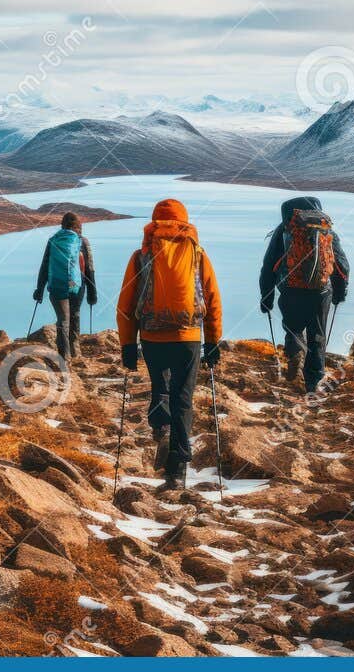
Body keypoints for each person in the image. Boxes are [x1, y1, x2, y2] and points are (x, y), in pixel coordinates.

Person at [117, 199, 223, 491]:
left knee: (160, 387)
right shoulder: (198, 254)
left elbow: (126, 305)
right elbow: (212, 299)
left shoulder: (141, 256)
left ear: (153, 223)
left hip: (151, 337)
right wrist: (213, 341)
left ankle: (160, 429)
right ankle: (178, 470)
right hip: (188, 338)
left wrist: (128, 344)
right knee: (183, 399)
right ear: (185, 222)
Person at [259, 196, 350, 394]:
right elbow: (342, 266)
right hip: (322, 292)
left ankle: (296, 352)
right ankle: (314, 382)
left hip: (291, 290)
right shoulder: (326, 230)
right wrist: (340, 293)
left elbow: (269, 267)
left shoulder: (284, 231)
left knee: (293, 327)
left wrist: (267, 298)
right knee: (317, 335)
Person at [34, 212, 97, 361]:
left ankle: (64, 356)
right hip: (77, 284)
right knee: (75, 315)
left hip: (56, 284)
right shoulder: (83, 241)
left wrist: (39, 290)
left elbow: (44, 266)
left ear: (62, 226)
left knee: (63, 320)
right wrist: (92, 293)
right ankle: (75, 351)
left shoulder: (53, 241)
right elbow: (90, 268)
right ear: (78, 227)